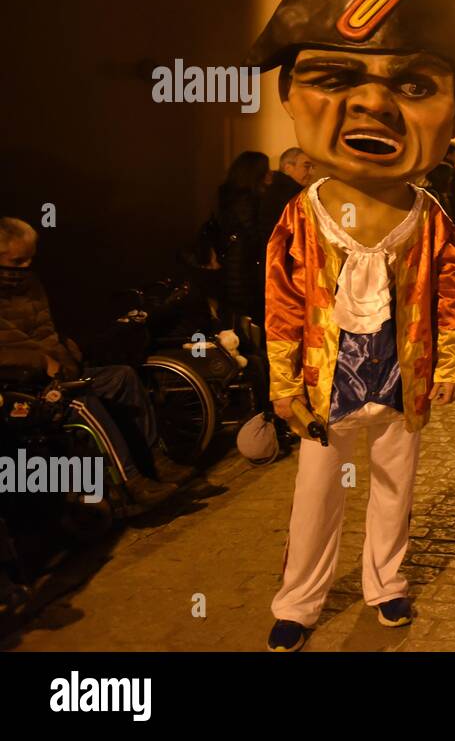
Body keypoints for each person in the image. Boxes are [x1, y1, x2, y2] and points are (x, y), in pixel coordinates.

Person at [249, 0, 455, 651]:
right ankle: (298, 600)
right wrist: (284, 381)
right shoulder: (298, 216)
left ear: (454, 114)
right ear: (290, 95)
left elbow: (453, 297)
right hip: (327, 380)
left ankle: (387, 582)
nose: (374, 104)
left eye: (414, 86)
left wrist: (445, 367)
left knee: (395, 487)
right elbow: (283, 299)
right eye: (335, 75)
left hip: (398, 373)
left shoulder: (433, 220)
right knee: (316, 494)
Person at [0, 218, 184, 507]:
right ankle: (132, 483)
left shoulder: (30, 284)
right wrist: (42, 360)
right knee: (82, 403)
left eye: (29, 260)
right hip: (19, 383)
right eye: (17, 261)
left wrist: (63, 354)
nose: (24, 268)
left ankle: (156, 461)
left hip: (53, 370)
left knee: (122, 377)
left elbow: (45, 331)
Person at [213, 151, 271, 328]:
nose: (271, 174)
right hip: (243, 277)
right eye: (266, 170)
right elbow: (253, 241)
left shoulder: (230, 199)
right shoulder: (248, 203)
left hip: (233, 275)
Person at [259, 147, 314, 246]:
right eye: (306, 166)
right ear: (288, 168)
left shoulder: (274, 188)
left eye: (312, 167)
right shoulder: (290, 194)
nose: (311, 172)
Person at [424, 141, 455, 232]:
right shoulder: (444, 168)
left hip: (450, 205)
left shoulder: (442, 167)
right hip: (450, 207)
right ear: (448, 154)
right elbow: (443, 188)